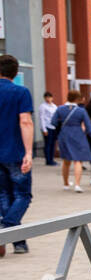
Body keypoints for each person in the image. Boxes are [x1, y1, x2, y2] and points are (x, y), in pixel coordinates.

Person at [0, 54, 35, 256]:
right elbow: (25, 121)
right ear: (14, 72)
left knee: (4, 195)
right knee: (23, 195)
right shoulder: (20, 92)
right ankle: (7, 227)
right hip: (15, 152)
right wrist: (29, 152)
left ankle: (18, 242)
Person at [54, 90, 91, 192]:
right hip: (78, 135)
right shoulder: (81, 111)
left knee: (66, 161)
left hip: (64, 135)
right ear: (78, 99)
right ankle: (77, 184)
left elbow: (53, 122)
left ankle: (66, 184)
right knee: (78, 160)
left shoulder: (60, 109)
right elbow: (89, 127)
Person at [39, 92, 58, 167]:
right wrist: (44, 129)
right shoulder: (43, 106)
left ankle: (52, 159)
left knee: (53, 144)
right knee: (48, 144)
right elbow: (42, 118)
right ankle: (48, 160)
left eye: (49, 97)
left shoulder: (54, 106)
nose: (48, 99)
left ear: (52, 98)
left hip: (54, 127)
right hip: (47, 127)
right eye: (46, 97)